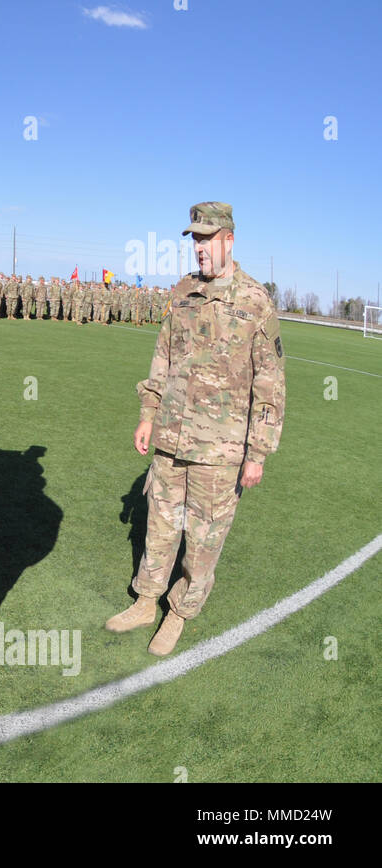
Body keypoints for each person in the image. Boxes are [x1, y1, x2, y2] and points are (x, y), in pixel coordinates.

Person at [105, 202, 284, 656]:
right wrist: (148, 413)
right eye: (195, 239)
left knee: (203, 539)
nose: (200, 248)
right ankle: (146, 601)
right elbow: (163, 356)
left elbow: (270, 382)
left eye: (207, 239)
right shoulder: (183, 291)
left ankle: (179, 612)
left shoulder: (255, 300)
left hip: (221, 450)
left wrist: (257, 452)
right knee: (160, 525)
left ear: (228, 239)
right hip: (171, 436)